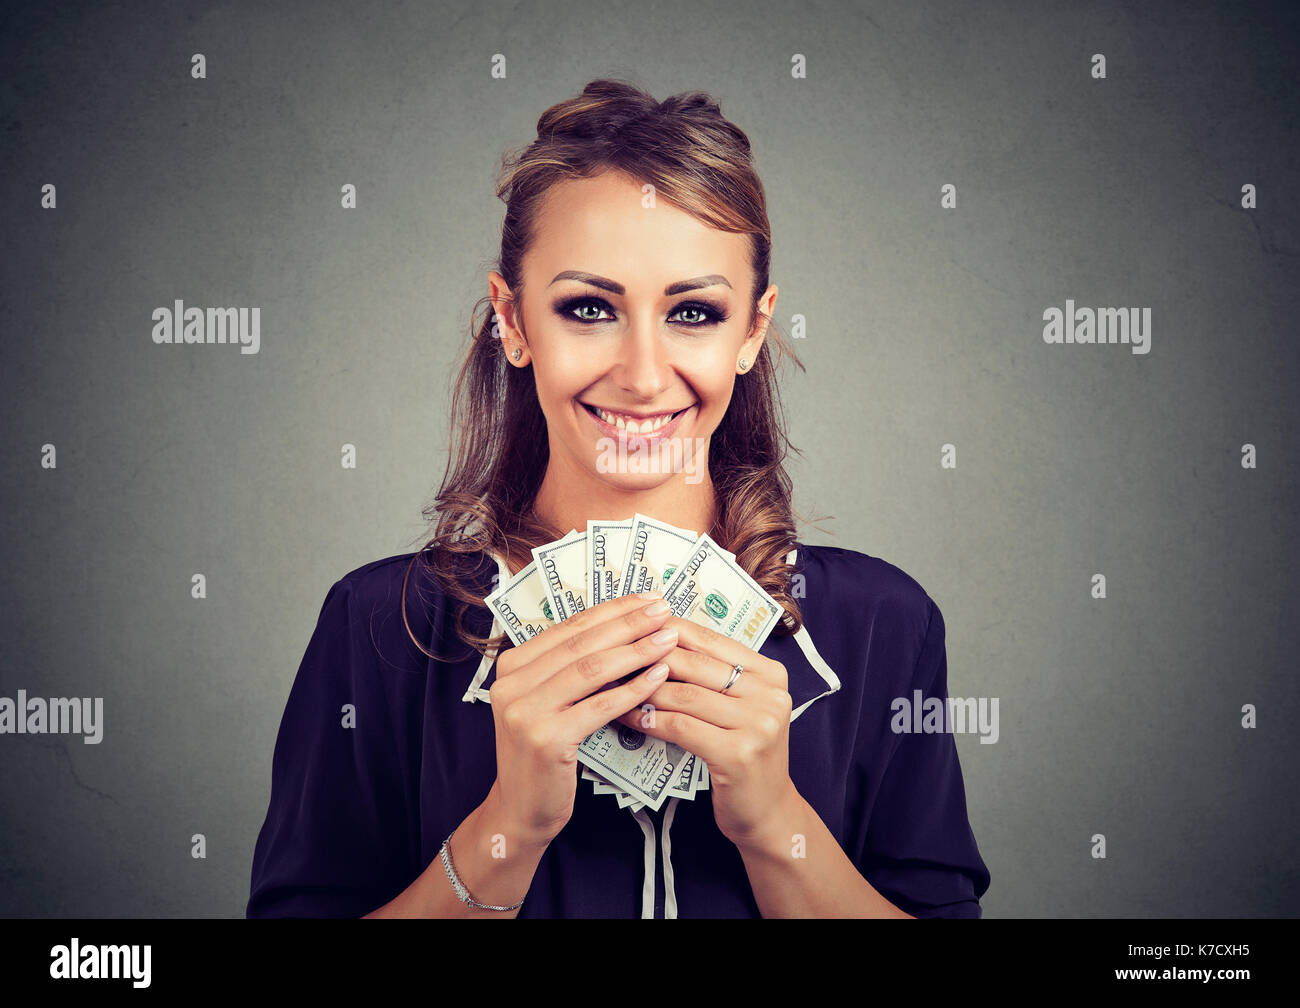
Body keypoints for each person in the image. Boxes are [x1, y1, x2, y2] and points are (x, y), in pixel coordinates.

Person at [246, 79, 991, 919]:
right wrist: (508, 830)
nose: (641, 375)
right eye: (589, 308)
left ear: (752, 330)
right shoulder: (379, 627)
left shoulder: (884, 625)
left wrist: (774, 822)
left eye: (695, 312)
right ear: (513, 320)